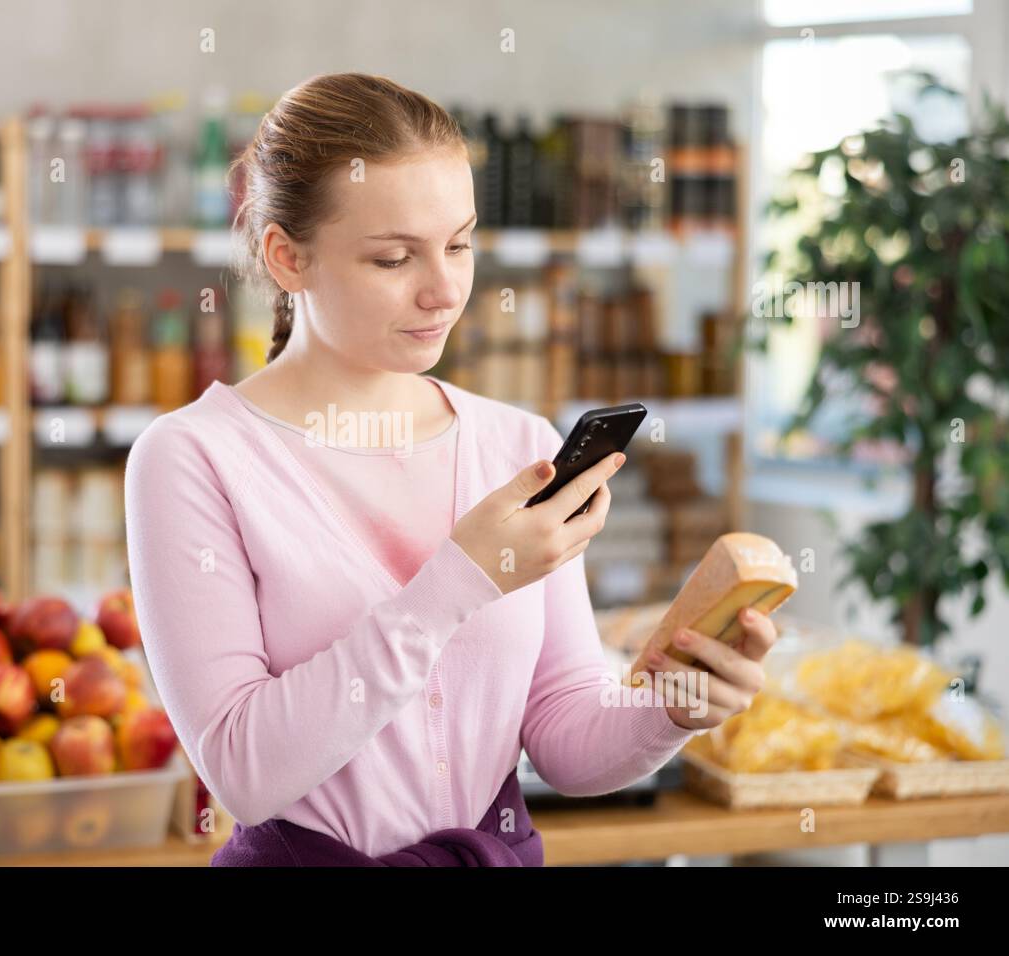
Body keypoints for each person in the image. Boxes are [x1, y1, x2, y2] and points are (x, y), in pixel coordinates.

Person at [123, 72, 778, 866]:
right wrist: (463, 577)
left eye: (460, 245)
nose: (444, 291)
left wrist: (672, 708)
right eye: (394, 258)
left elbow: (565, 739)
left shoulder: (514, 444)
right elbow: (243, 772)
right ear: (287, 257)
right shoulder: (194, 458)